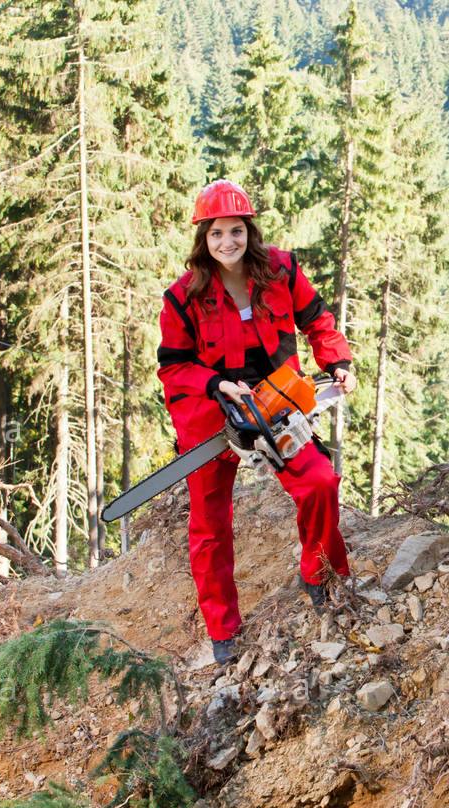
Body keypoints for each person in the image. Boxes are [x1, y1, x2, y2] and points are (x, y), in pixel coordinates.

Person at [156, 180, 356, 666]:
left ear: (250, 230)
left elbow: (318, 319)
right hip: (212, 407)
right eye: (217, 233)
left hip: (274, 399)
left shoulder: (281, 270)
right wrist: (215, 385)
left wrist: (336, 362)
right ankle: (223, 629)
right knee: (209, 524)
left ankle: (320, 573)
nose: (228, 242)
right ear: (203, 237)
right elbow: (174, 365)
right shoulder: (183, 297)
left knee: (319, 480)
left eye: (237, 231)